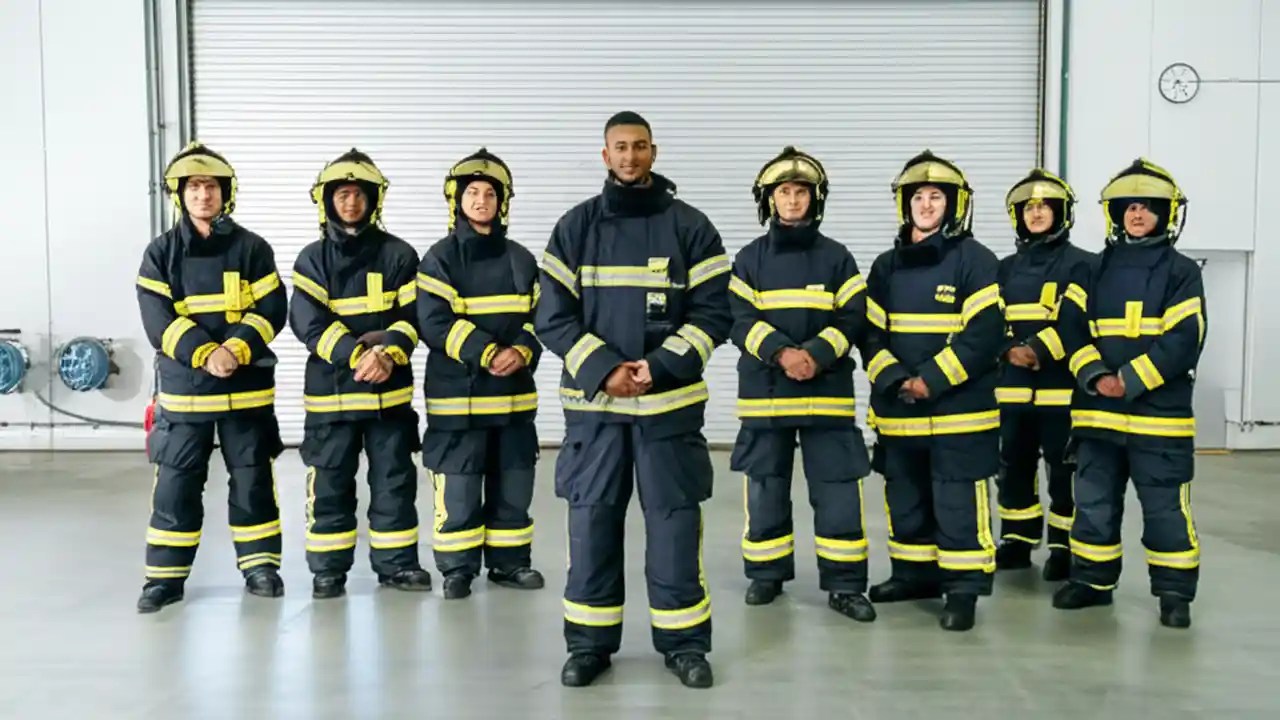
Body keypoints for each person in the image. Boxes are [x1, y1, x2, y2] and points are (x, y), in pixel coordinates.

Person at [535, 111, 732, 688]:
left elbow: (714, 312)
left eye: (639, 146)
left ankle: (685, 646)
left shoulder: (691, 227)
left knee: (674, 529)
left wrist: (661, 366)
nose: (629, 156)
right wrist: (605, 370)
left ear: (654, 151)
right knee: (590, 528)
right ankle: (589, 645)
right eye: (619, 147)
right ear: (605, 156)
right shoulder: (575, 227)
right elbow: (551, 315)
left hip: (668, 413)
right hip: (596, 414)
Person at [134, 141, 288, 612]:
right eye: (194, 187)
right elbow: (157, 317)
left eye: (212, 186)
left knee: (253, 481)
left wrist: (235, 348)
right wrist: (206, 353)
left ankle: (260, 566)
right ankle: (164, 579)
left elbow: (273, 307)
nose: (204, 195)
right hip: (186, 398)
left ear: (226, 193)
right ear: (180, 195)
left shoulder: (252, 249)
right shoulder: (160, 253)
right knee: (176, 486)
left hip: (246, 393)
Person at [1053, 158, 1205, 629]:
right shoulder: (1090, 270)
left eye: (1147, 207)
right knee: (1094, 504)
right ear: (1115, 214)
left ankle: (1174, 594)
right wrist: (1097, 375)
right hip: (1098, 417)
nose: (1137, 214)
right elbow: (1071, 330)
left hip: (1159, 421)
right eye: (1129, 207)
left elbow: (1185, 339)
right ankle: (1093, 582)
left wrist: (1130, 379)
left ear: (1165, 213)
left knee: (1165, 511)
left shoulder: (1181, 271)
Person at [727, 146, 875, 622]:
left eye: (800, 192)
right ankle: (766, 575)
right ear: (768, 200)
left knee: (836, 489)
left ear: (816, 199)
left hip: (825, 396)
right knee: (765, 488)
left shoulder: (838, 258)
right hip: (767, 398)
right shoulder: (748, 259)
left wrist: (816, 355)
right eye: (783, 192)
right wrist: (782, 353)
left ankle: (846, 585)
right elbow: (736, 318)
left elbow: (854, 317)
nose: (792, 201)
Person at [860, 150, 1004, 631]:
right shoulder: (884, 267)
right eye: (917, 196)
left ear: (954, 205)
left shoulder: (977, 261)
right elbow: (871, 335)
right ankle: (914, 575)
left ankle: (963, 591)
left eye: (935, 197)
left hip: (959, 414)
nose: (925, 205)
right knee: (907, 497)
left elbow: (983, 335)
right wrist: (898, 380)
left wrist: (932, 379)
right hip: (901, 410)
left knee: (958, 501)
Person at [288, 149, 431, 599]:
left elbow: (414, 317)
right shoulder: (311, 259)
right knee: (329, 485)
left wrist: (388, 353)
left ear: (374, 200)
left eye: (358, 194)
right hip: (331, 403)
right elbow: (307, 323)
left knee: (394, 483)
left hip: (388, 400)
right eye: (342, 194)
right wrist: (359, 355)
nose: (350, 203)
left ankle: (397, 566)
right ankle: (328, 571)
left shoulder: (400, 255)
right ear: (327, 200)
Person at [416, 148, 545, 600]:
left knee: (514, 479)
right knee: (460, 484)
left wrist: (525, 349)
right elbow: (433, 322)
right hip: (458, 402)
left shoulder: (523, 260)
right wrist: (488, 351)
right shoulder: (439, 258)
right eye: (472, 192)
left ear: (502, 202)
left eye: (490, 193)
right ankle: (457, 568)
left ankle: (510, 563)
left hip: (512, 401)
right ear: (457, 199)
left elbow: (541, 318)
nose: (481, 200)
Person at [993, 169, 1096, 580]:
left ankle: (1063, 547)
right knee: (1012, 466)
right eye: (1029, 207)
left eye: (1045, 207)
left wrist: (1037, 350)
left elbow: (1078, 321)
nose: (1036, 214)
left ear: (1062, 213)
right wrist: (1006, 350)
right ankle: (1016, 540)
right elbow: (987, 321)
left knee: (1064, 472)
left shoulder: (1085, 265)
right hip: (1012, 391)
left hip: (1061, 390)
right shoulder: (1001, 269)